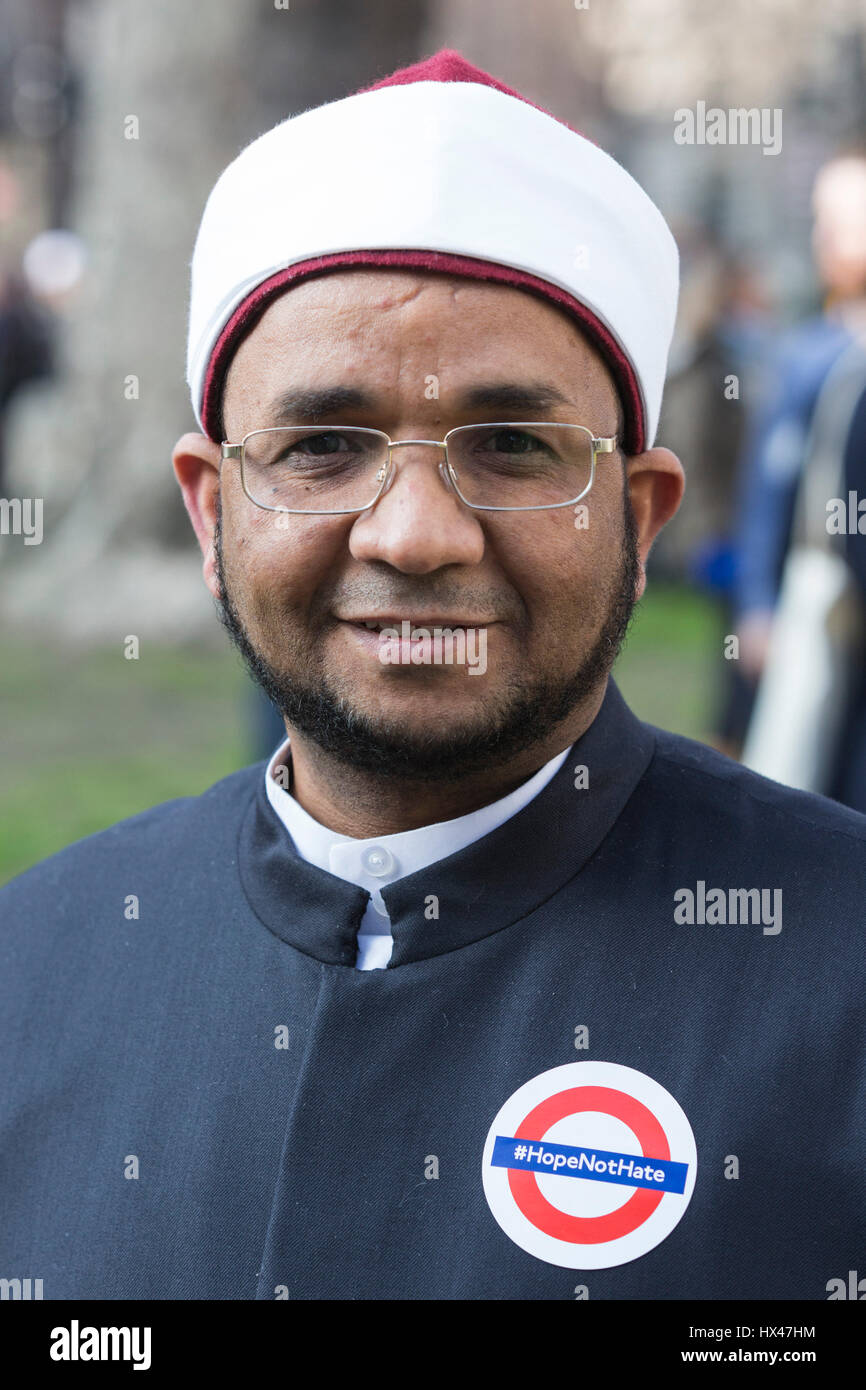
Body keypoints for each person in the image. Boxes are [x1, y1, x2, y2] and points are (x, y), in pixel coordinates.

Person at [1, 51, 864, 1302]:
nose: (413, 533)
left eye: (513, 445)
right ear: (207, 515)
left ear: (640, 519)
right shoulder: (34, 968)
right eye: (323, 447)